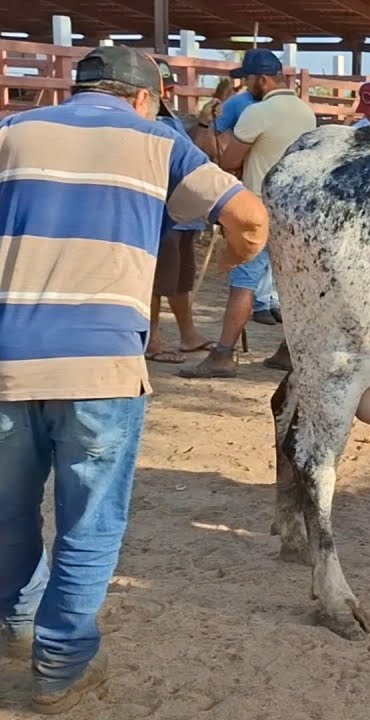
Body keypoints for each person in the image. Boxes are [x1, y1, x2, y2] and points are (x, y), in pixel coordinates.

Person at [0, 46, 267, 714]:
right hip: (102, 366)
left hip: (7, 359)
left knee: (7, 513)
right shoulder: (158, 143)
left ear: (79, 89)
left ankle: (14, 624)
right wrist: (241, 257)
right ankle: (60, 668)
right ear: (146, 98)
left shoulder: (11, 134)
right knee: (89, 523)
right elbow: (249, 219)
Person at [184, 48, 316, 378]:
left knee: (243, 283)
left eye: (249, 80)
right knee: (293, 283)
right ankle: (290, 349)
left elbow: (228, 160)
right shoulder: (305, 112)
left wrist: (213, 127)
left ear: (263, 79)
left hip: (260, 205)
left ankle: (224, 353)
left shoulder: (258, 113)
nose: (246, 87)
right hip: (297, 208)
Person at [147, 67, 217, 364]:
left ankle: (187, 334)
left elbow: (194, 150)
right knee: (157, 280)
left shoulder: (171, 121)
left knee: (179, 280)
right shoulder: (151, 124)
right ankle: (152, 340)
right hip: (164, 212)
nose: (170, 94)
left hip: (183, 214)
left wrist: (202, 123)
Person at [199, 80, 281, 327]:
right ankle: (262, 302)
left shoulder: (254, 107)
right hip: (250, 184)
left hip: (252, 185)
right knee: (254, 255)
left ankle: (265, 301)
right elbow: (219, 141)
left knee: (256, 259)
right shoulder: (239, 103)